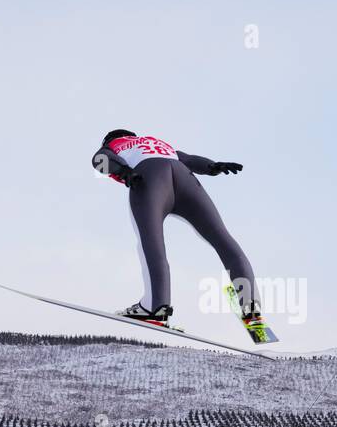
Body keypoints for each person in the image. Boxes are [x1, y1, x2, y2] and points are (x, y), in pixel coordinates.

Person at [91, 129, 261, 329]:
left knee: (151, 243)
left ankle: (156, 308)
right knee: (222, 239)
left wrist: (123, 172)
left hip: (149, 178)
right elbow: (188, 159)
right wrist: (212, 166)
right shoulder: (154, 142)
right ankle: (250, 305)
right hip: (185, 178)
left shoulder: (114, 145)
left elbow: (100, 160)